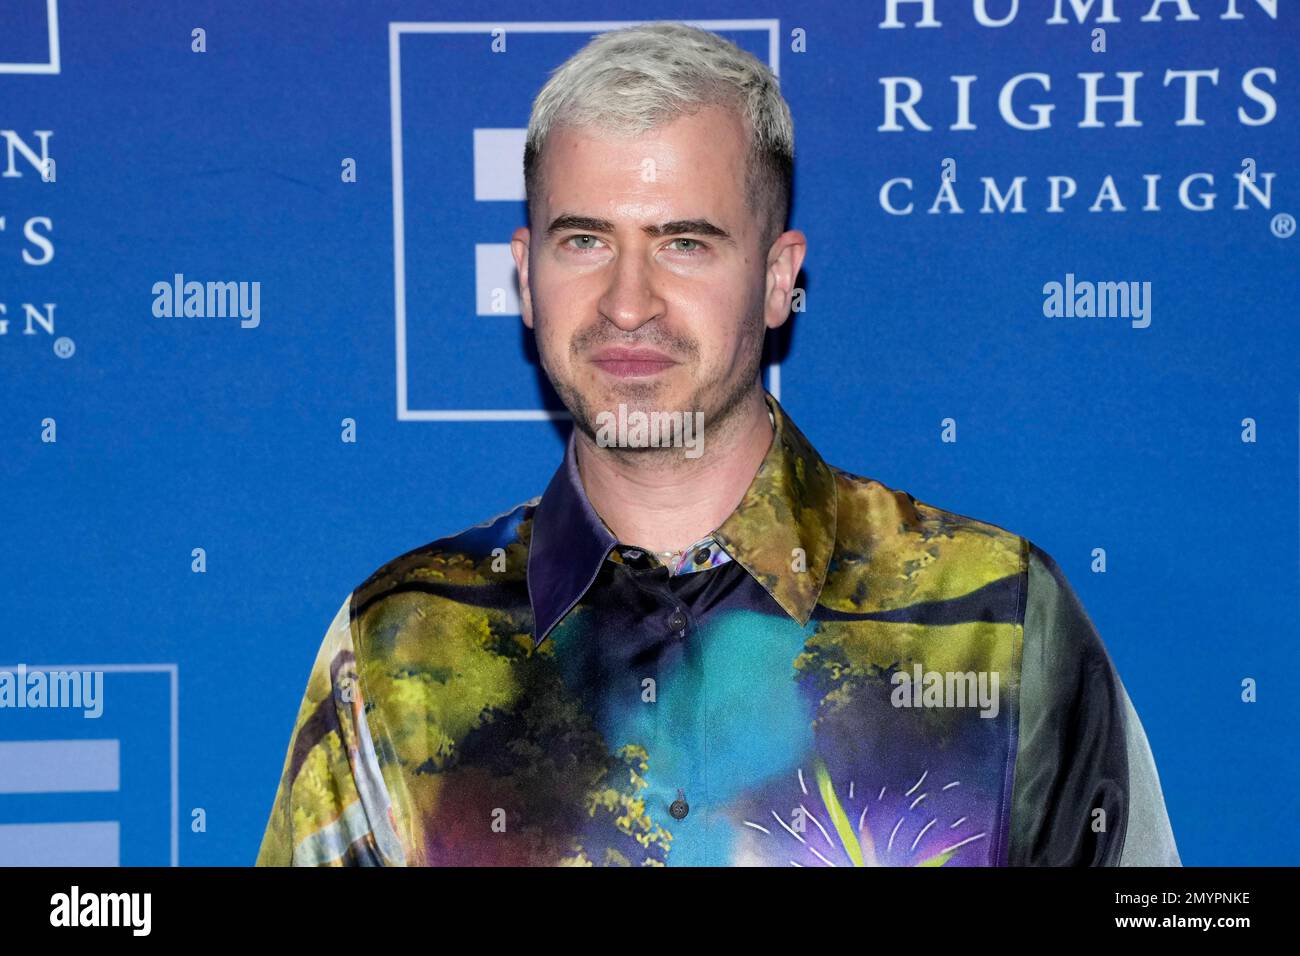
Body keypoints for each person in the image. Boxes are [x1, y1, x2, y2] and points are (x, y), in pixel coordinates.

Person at [255, 21, 1179, 867]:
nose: (628, 303)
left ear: (779, 280)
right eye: (584, 241)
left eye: (685, 243)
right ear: (525, 277)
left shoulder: (999, 627)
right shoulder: (395, 646)